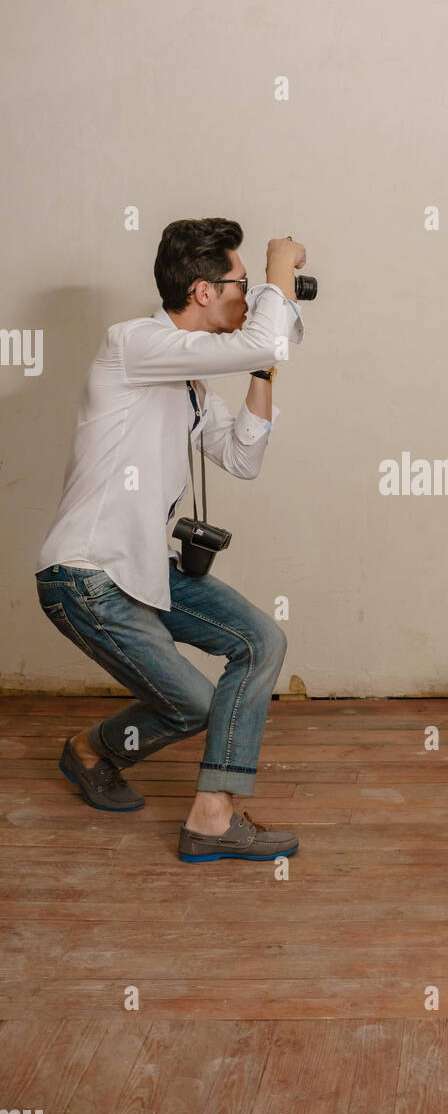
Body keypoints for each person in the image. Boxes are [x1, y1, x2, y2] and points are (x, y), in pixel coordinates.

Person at [35, 219, 308, 862]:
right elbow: (264, 333)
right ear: (203, 290)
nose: (247, 297)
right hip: (85, 576)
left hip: (140, 571)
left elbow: (242, 457)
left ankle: (210, 813)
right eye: (240, 285)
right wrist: (279, 269)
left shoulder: (188, 381)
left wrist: (262, 366)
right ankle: (96, 750)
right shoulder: (134, 343)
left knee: (261, 639)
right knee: (191, 705)